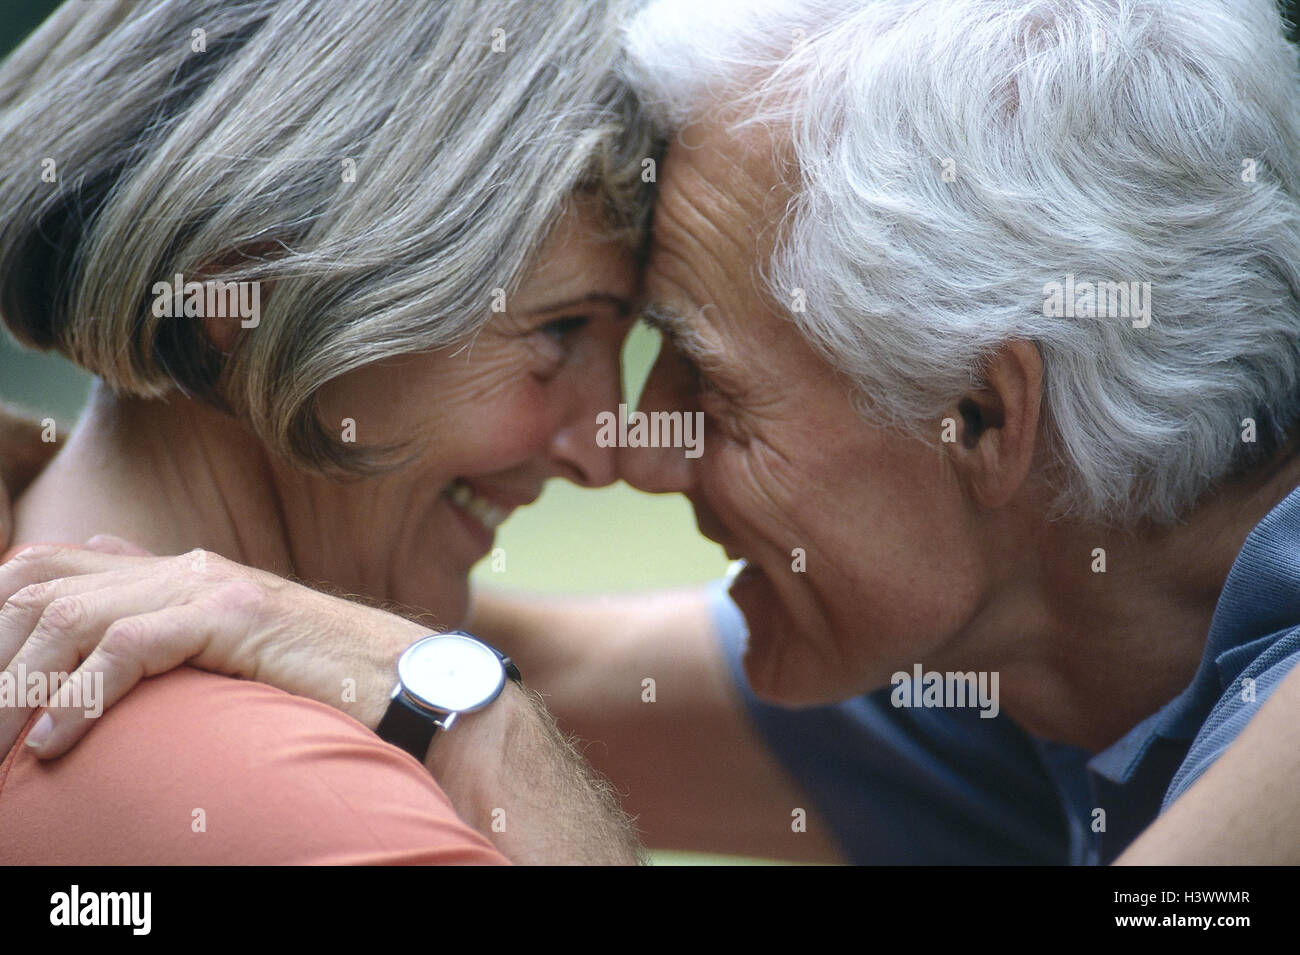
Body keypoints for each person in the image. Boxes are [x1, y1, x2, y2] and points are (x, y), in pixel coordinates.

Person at [7, 0, 1300, 865]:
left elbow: (481, 682)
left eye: (713, 387)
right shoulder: (1010, 650)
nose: (630, 444)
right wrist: (83, 512)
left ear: (979, 415)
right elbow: (546, 661)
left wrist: (469, 717)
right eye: (579, 329)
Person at [0, 0, 658, 865]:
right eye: (560, 329)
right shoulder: (318, 812)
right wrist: (493, 735)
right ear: (246, 292)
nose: (606, 454)